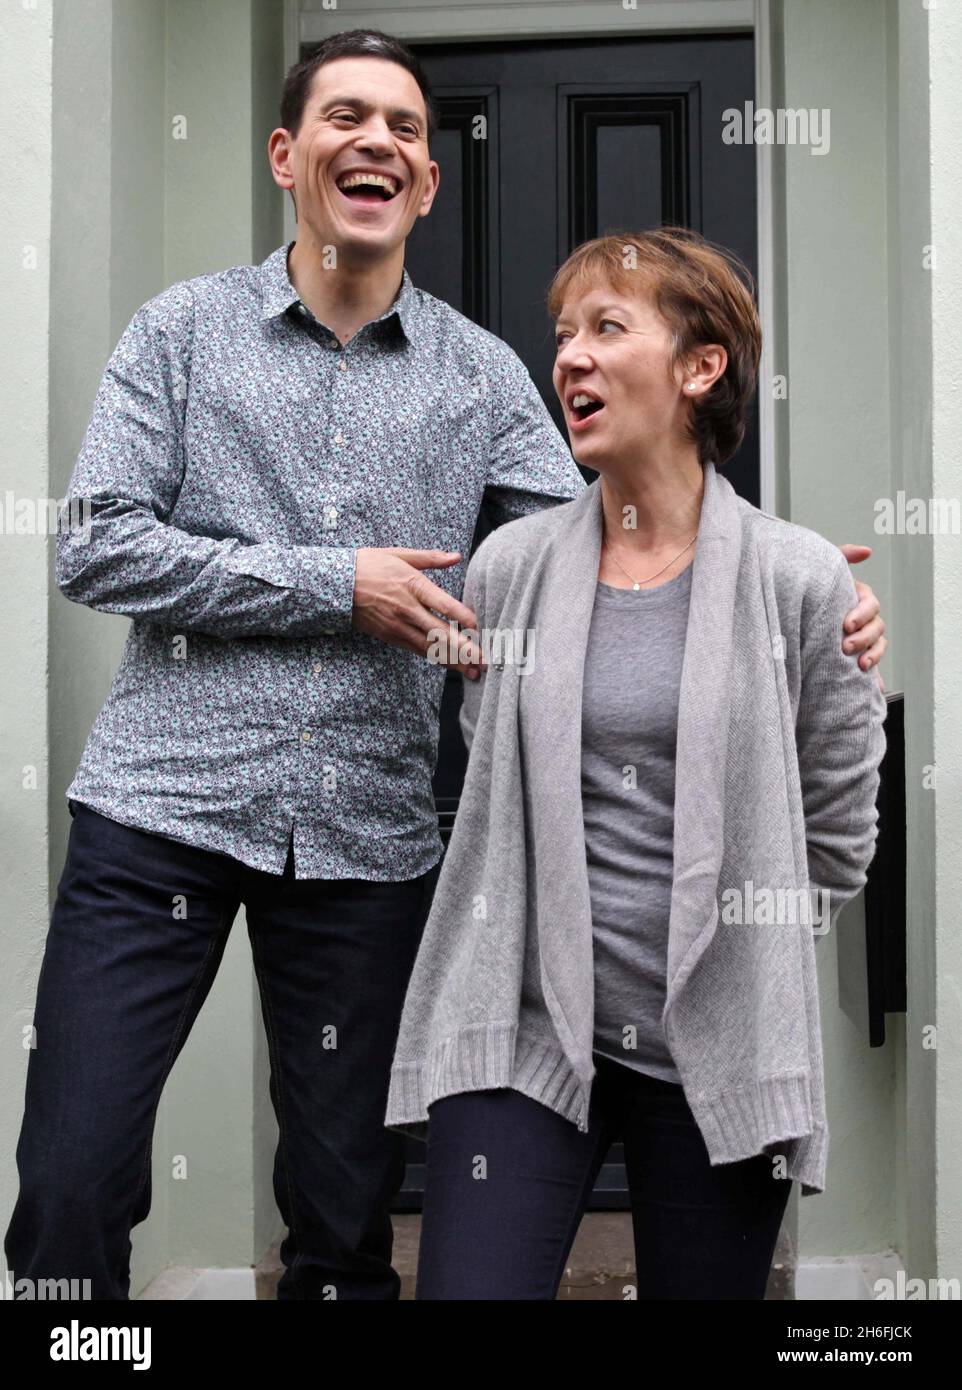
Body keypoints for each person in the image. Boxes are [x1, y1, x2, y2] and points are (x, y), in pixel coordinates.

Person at [5, 28, 884, 1302]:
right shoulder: (181, 333)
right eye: (347, 118)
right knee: (73, 1177)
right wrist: (333, 584)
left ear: (424, 182)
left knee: (343, 1208)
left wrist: (801, 592)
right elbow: (96, 544)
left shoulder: (481, 375)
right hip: (159, 815)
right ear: (285, 154)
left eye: (407, 131)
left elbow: (604, 543)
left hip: (372, 839)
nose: (378, 142)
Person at [384, 227, 889, 1301]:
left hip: (715, 1041)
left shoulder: (801, 580)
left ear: (699, 366)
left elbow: (838, 834)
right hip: (524, 1019)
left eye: (606, 328)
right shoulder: (511, 565)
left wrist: (735, 951)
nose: (567, 356)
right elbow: (495, 773)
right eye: (562, 333)